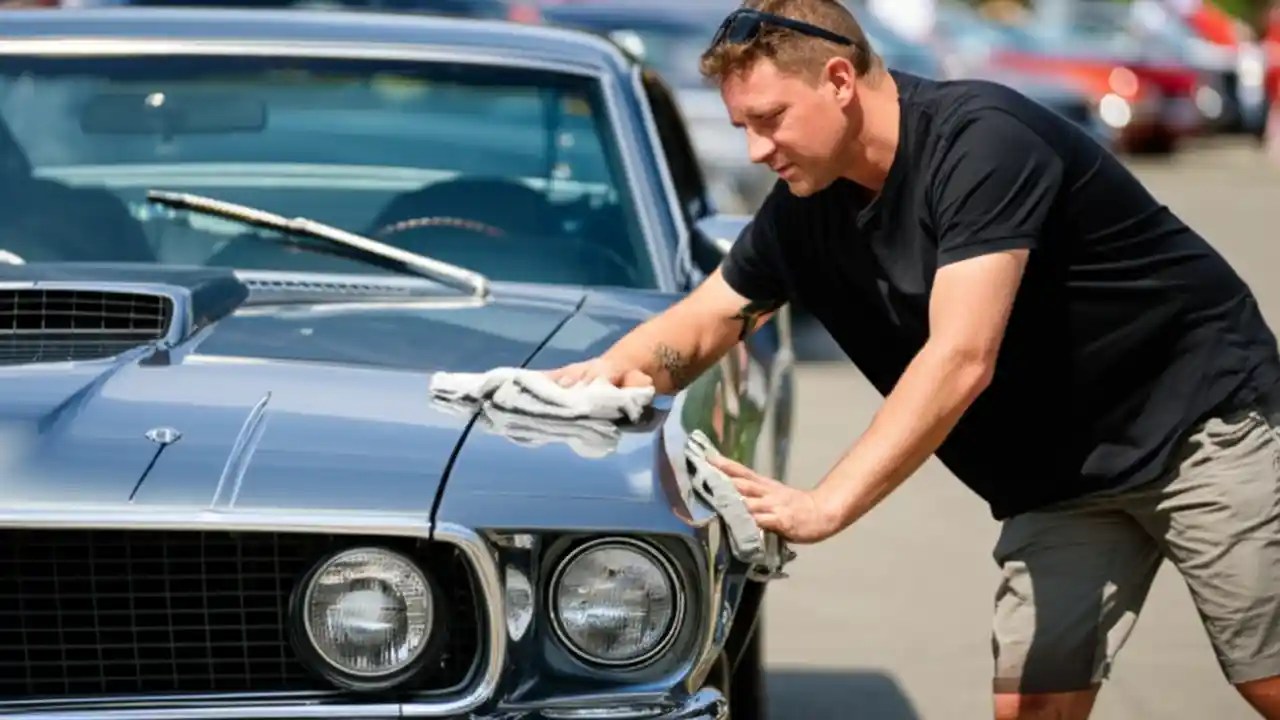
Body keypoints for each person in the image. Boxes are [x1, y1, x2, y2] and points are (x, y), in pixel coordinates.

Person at [548, 0, 1280, 717]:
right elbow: (707, 319)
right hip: (1063, 476)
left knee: (1266, 680)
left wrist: (824, 504)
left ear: (839, 79)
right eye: (744, 127)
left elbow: (961, 357)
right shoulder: (805, 208)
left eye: (769, 119)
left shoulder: (981, 143)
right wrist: (581, 385)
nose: (756, 151)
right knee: (1034, 704)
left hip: (1200, 426)